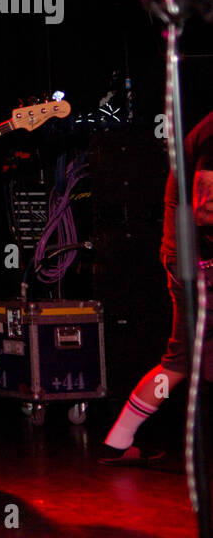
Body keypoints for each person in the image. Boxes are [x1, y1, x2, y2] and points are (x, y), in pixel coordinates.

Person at [98, 109, 213, 464]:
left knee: (184, 361)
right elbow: (206, 211)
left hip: (190, 258)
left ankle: (119, 440)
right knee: (181, 361)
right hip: (198, 261)